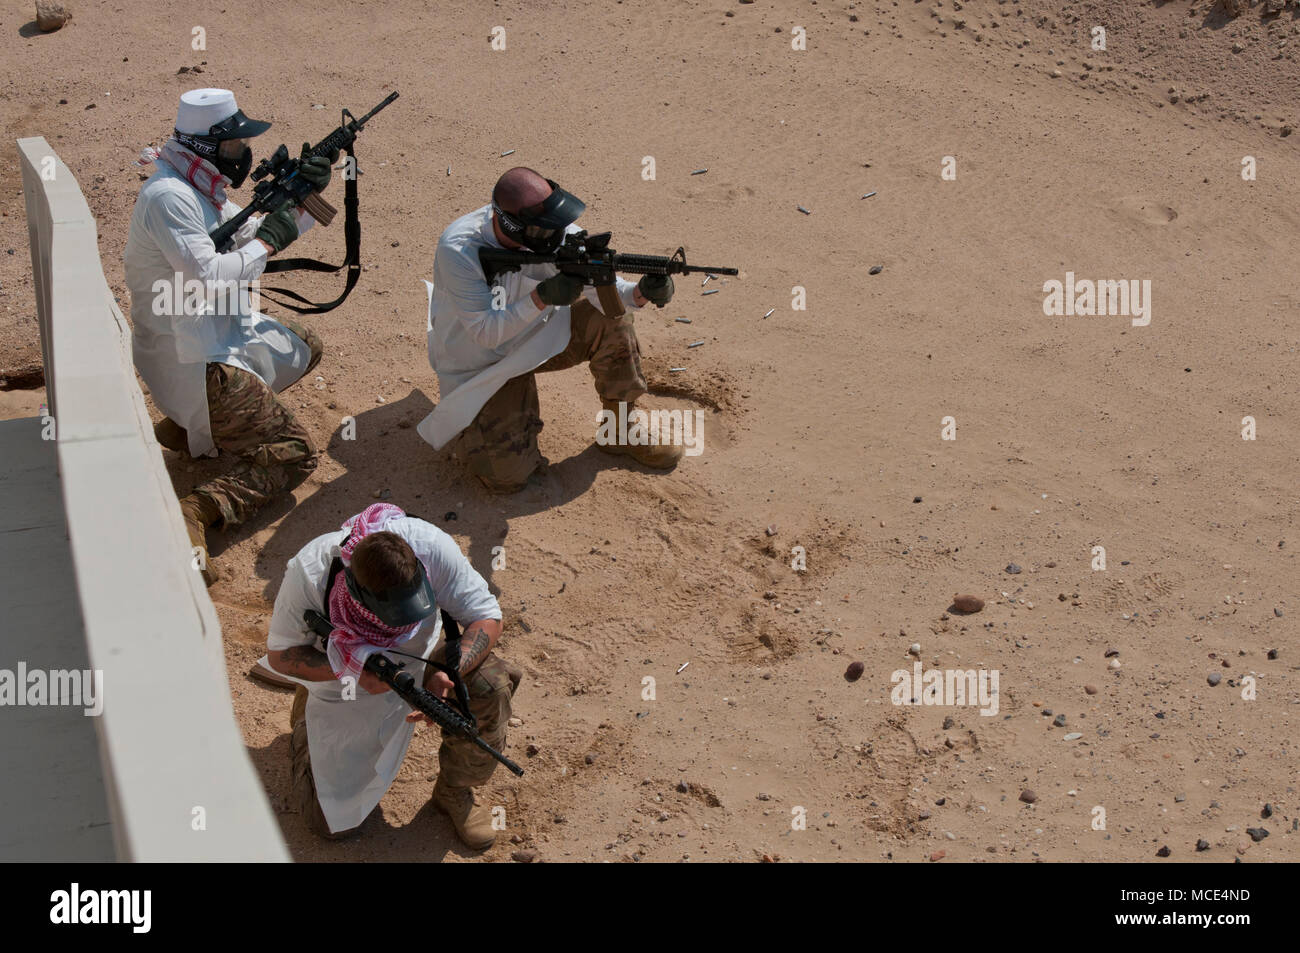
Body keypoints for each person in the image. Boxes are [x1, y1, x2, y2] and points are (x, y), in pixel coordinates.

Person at [123, 87, 338, 584]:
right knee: (295, 457)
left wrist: (305, 197)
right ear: (207, 146)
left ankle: (196, 428)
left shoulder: (198, 187)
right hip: (194, 359)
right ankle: (197, 509)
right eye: (236, 147)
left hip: (210, 340)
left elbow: (254, 231)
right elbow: (214, 273)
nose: (245, 155)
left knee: (306, 344)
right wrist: (268, 239)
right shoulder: (170, 198)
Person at [265, 504, 519, 850]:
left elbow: (487, 617)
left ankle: (454, 791)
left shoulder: (431, 546)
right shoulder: (310, 574)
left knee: (488, 684)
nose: (400, 624)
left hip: (422, 659)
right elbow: (282, 655)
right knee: (330, 825)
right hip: (346, 679)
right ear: (355, 590)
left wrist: (451, 675)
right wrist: (349, 670)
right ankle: (306, 722)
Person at [422, 166, 683, 493]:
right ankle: (477, 427)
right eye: (547, 230)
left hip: (539, 338)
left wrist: (641, 292)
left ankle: (620, 429)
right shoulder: (459, 250)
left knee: (612, 319)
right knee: (506, 477)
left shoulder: (557, 232)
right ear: (514, 226)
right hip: (480, 362)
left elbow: (608, 292)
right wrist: (541, 297)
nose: (559, 235)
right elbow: (486, 333)